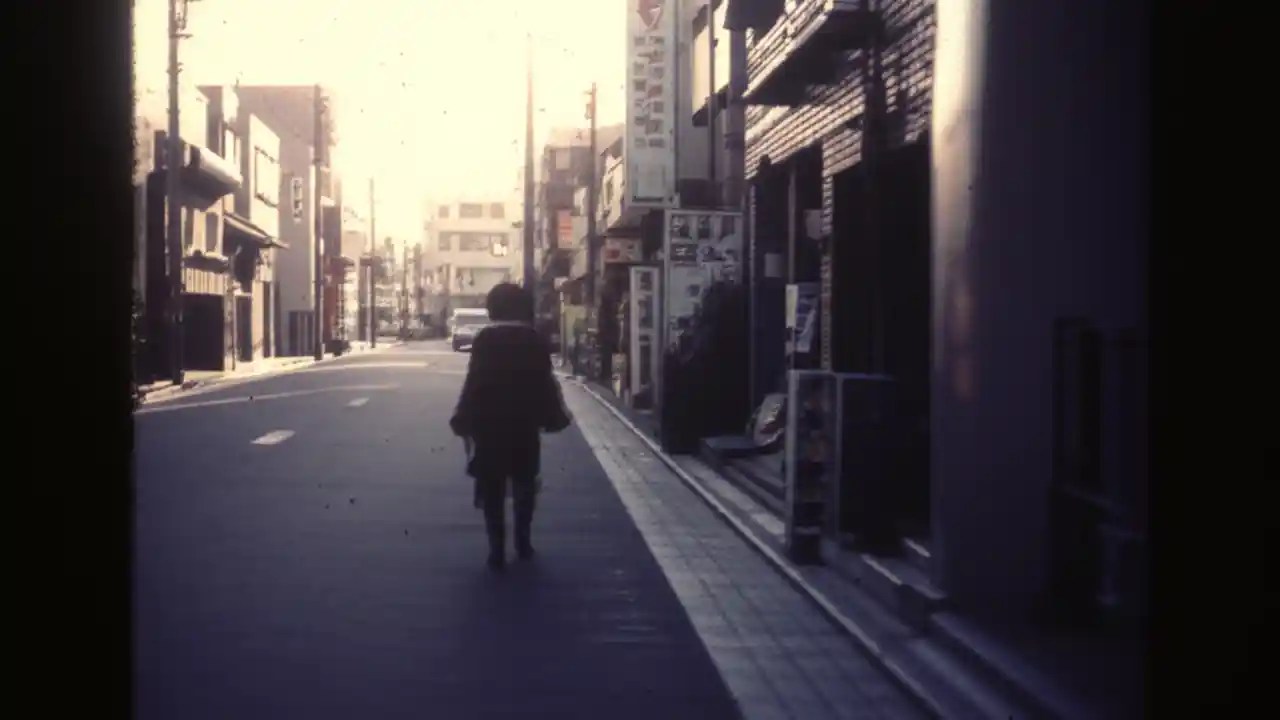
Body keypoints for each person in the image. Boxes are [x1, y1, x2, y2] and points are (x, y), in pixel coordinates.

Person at [450, 283, 571, 570]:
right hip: (524, 422)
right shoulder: (533, 338)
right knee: (525, 482)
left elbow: (475, 381)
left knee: (491, 486)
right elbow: (545, 381)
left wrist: (464, 415)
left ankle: (496, 548)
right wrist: (553, 414)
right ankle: (523, 541)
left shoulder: (485, 340)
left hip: (489, 424)